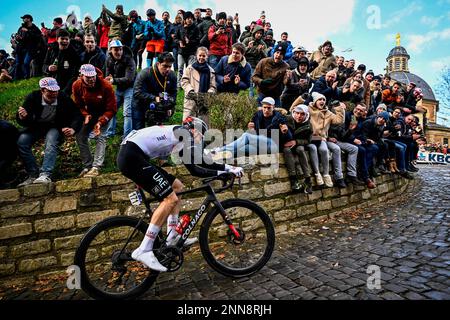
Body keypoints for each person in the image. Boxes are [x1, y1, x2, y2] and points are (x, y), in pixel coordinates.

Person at [117, 117, 243, 271]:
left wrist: (227, 168)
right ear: (194, 130)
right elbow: (197, 169)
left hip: (134, 156)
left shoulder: (180, 135)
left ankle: (172, 236)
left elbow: (197, 164)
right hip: (132, 158)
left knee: (177, 187)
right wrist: (223, 172)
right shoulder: (183, 133)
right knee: (170, 199)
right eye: (201, 135)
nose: (201, 139)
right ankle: (144, 249)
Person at [16, 77, 82, 185]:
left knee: (51, 141)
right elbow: (24, 119)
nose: (54, 94)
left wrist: (73, 128)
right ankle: (33, 174)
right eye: (50, 91)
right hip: (36, 126)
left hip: (55, 126)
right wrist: (22, 117)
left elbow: (76, 114)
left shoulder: (63, 97)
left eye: (55, 90)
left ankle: (45, 174)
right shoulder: (33, 97)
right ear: (42, 90)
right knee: (22, 141)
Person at [72, 64, 117, 178]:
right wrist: (85, 115)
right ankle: (87, 165)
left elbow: (112, 109)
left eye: (93, 77)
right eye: (88, 78)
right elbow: (78, 105)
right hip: (89, 114)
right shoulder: (77, 85)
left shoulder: (106, 86)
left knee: (100, 136)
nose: (91, 80)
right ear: (82, 76)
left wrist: (101, 122)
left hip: (104, 113)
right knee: (80, 135)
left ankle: (97, 167)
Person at [211, 97, 293, 159]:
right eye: (264, 107)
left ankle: (219, 149)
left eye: (269, 108)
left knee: (246, 136)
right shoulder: (257, 115)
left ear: (273, 107)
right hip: (259, 145)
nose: (266, 110)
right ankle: (216, 156)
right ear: (262, 107)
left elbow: (289, 137)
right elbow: (254, 134)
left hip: (273, 145)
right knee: (242, 149)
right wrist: (250, 129)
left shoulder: (279, 118)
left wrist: (285, 131)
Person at [307, 92, 346, 188]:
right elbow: (293, 110)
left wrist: (338, 108)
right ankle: (317, 174)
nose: (322, 101)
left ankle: (326, 174)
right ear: (315, 101)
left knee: (326, 150)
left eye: (324, 100)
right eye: (320, 99)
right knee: (315, 149)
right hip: (310, 137)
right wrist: (301, 99)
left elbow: (339, 120)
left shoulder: (328, 113)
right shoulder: (309, 109)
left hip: (322, 138)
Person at [132, 52, 177, 129]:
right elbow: (137, 93)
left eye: (170, 66)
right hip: (140, 105)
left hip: (158, 107)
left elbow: (173, 93)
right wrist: (154, 98)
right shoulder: (145, 73)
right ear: (158, 64)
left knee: (156, 133)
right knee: (138, 131)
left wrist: (170, 107)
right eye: (165, 66)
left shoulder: (172, 75)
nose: (168, 69)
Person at [104, 40, 136, 139]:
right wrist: (108, 79)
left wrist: (113, 81)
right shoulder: (109, 59)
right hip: (119, 87)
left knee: (127, 112)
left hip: (130, 87)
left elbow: (129, 79)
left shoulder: (129, 60)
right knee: (111, 109)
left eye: (120, 49)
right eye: (116, 50)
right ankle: (110, 132)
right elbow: (108, 73)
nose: (118, 52)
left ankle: (127, 136)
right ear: (111, 50)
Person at [181, 47, 217, 123]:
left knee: (203, 124)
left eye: (204, 56)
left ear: (207, 56)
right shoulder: (190, 68)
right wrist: (190, 90)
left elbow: (213, 86)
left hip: (204, 101)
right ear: (196, 56)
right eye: (200, 55)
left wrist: (209, 93)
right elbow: (184, 81)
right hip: (191, 100)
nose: (201, 57)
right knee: (188, 123)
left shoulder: (211, 71)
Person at [285, 105, 314, 193]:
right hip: (286, 143)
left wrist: (296, 142)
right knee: (287, 150)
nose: (299, 116)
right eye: (297, 113)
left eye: (302, 114)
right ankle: (294, 179)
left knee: (300, 149)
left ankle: (308, 179)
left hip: (298, 144)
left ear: (306, 115)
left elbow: (308, 140)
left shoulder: (308, 125)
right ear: (294, 112)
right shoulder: (287, 119)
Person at [42, 28, 81, 95]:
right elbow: (44, 66)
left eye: (67, 39)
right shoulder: (51, 50)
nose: (65, 41)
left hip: (66, 82)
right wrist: (48, 68)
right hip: (52, 80)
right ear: (57, 39)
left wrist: (65, 91)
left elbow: (75, 74)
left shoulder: (73, 53)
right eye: (62, 39)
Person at [174, 11, 200, 87]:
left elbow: (198, 40)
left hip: (192, 52)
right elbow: (175, 38)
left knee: (191, 69)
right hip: (181, 52)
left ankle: (190, 85)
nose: (189, 20)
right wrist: (179, 42)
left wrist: (190, 41)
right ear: (185, 19)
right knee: (180, 68)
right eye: (188, 18)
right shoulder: (180, 27)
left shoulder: (195, 28)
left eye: (191, 18)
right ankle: (179, 85)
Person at [13, 14, 42, 80]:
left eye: (24, 18)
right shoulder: (21, 28)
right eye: (23, 18)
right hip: (20, 48)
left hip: (30, 49)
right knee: (18, 64)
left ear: (29, 19)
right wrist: (18, 38)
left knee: (26, 63)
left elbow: (38, 37)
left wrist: (28, 31)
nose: (23, 20)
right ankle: (16, 78)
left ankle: (27, 77)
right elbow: (19, 38)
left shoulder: (35, 28)